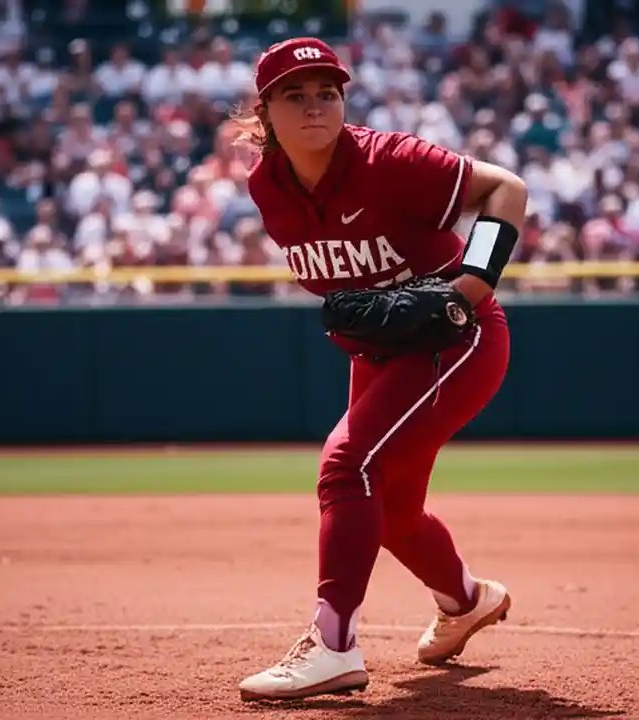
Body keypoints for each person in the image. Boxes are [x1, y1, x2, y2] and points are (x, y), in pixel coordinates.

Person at [230, 38, 527, 701]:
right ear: (265, 111)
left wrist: (469, 287)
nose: (315, 107)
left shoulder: (388, 160)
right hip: (383, 354)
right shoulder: (266, 187)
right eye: (295, 96)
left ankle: (333, 646)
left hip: (459, 337)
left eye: (328, 94)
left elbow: (505, 188)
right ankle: (466, 601)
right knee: (390, 508)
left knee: (347, 465)